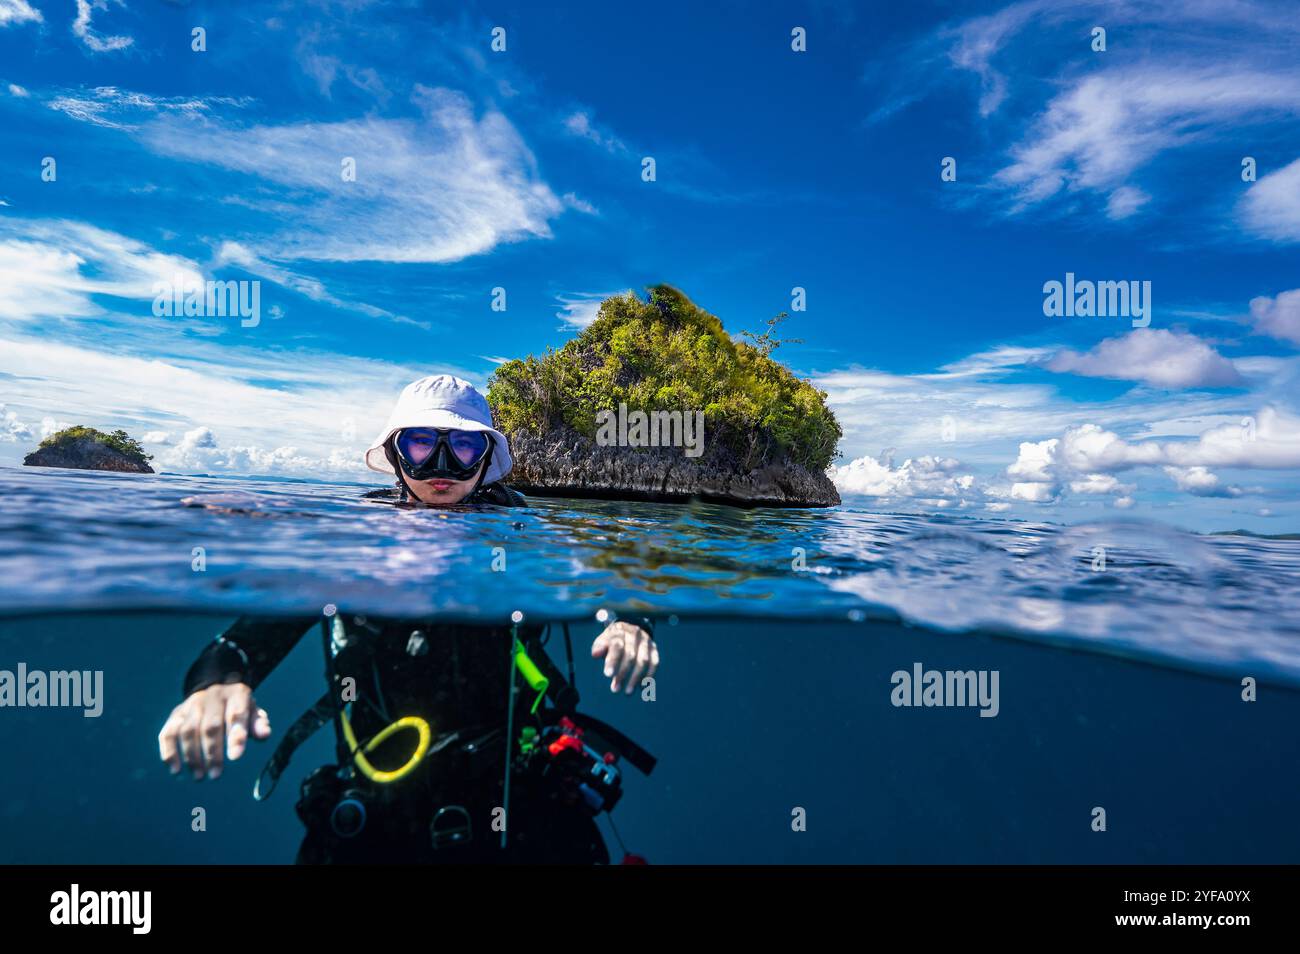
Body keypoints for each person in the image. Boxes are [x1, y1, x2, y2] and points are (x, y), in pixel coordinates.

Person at [158, 375, 660, 863]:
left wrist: (630, 619)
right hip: (383, 809)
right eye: (421, 444)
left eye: (462, 447)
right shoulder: (348, 544)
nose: (441, 465)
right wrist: (218, 680)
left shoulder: (524, 533)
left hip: (522, 797)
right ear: (396, 454)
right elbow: (245, 641)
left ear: (485, 459)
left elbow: (612, 573)